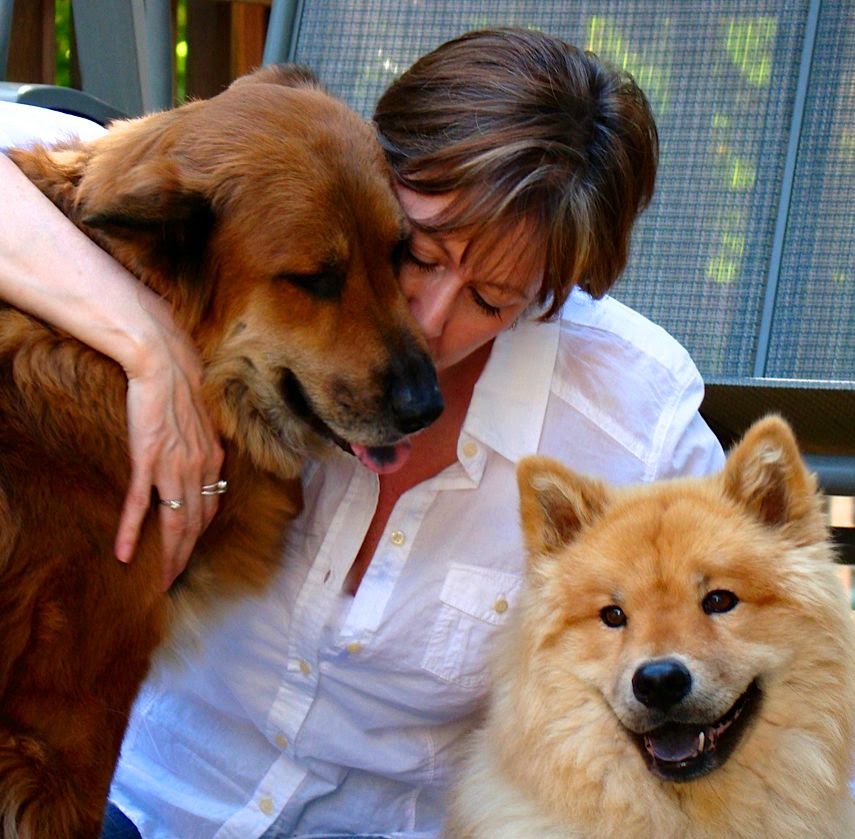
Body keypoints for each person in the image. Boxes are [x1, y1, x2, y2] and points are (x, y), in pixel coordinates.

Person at [0, 29, 724, 838]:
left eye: (492, 299)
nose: (428, 321)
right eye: (413, 252)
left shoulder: (632, 429)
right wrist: (147, 345)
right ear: (372, 171)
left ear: (551, 298)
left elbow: (769, 684)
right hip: (142, 805)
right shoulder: (248, 195)